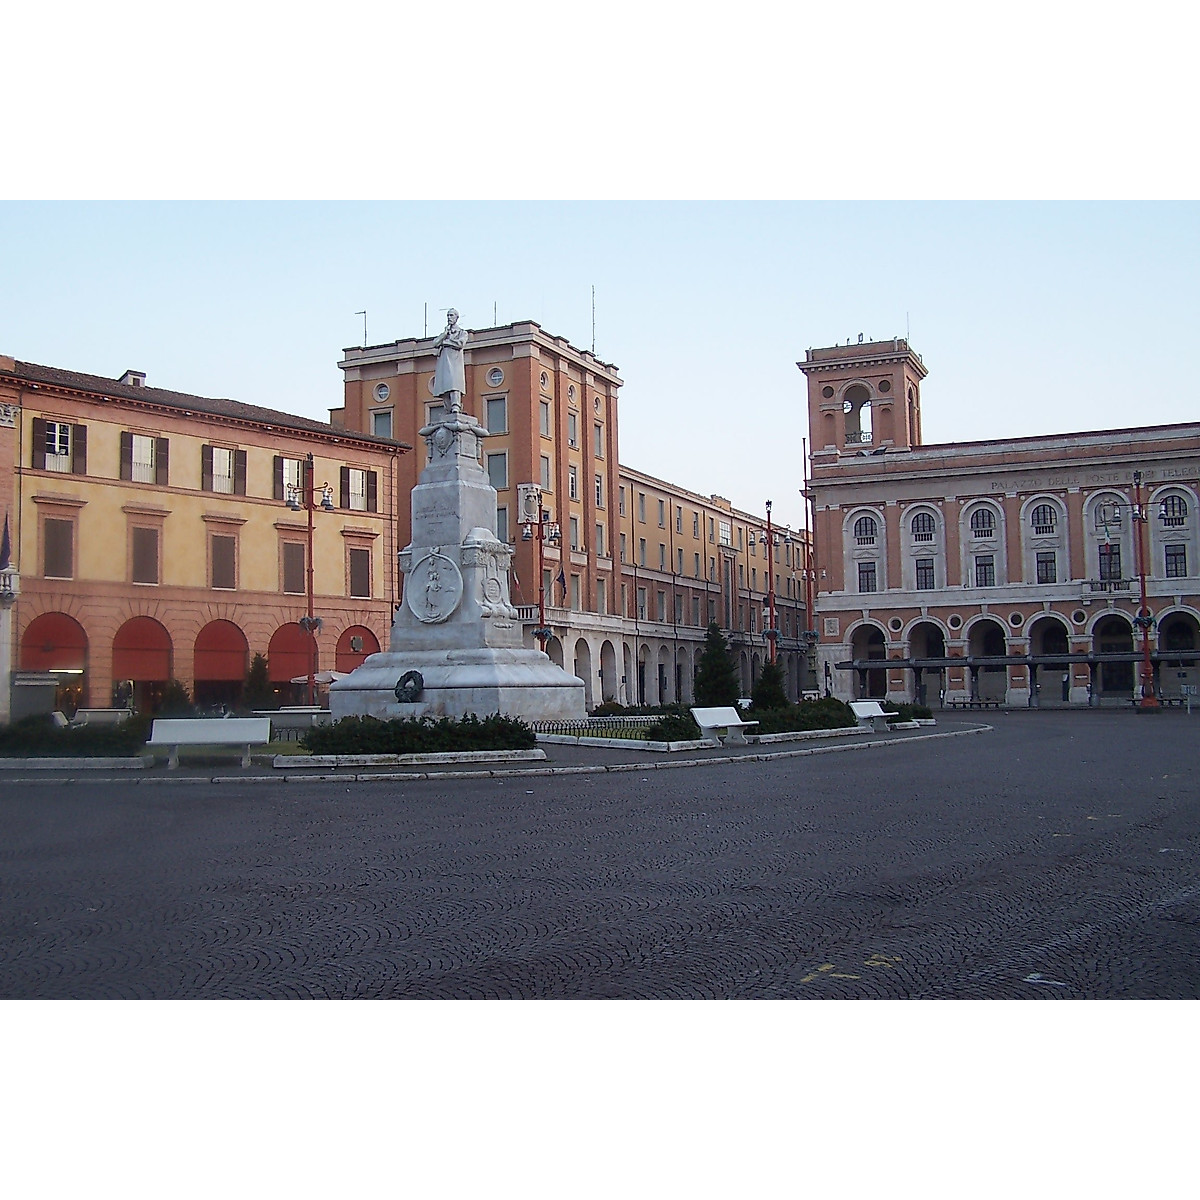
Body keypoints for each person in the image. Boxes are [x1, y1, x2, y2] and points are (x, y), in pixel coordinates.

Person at [432, 309, 468, 414]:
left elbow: (460, 344)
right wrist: (444, 334)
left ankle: (456, 405)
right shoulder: (445, 333)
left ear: (457, 317)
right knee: (444, 386)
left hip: (455, 362)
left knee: (454, 384)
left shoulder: (462, 332)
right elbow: (435, 343)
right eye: (448, 315)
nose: (449, 318)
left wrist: (446, 342)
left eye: (451, 315)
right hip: (444, 363)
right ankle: (448, 408)